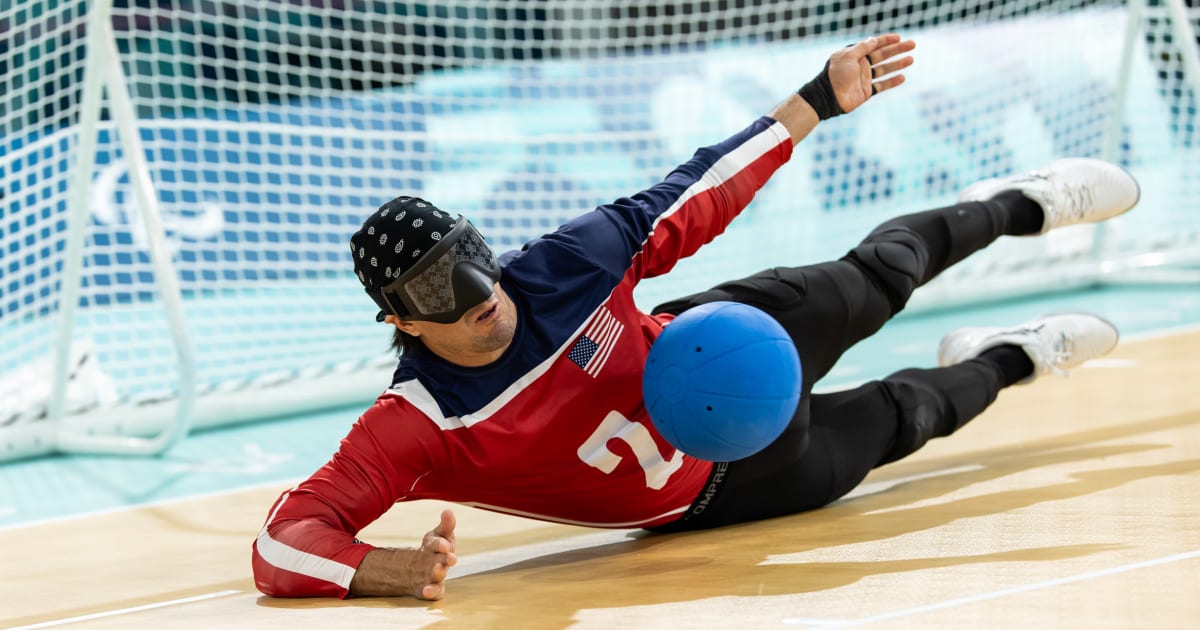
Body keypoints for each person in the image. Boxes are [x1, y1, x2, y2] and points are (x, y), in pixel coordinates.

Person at [251, 33, 1139, 600]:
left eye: (473, 263)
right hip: (725, 493)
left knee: (878, 277)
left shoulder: (563, 265)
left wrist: (816, 102)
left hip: (723, 343)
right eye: (440, 293)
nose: (481, 295)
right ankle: (1017, 354)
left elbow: (698, 187)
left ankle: (1024, 204)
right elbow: (281, 545)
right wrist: (379, 570)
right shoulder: (419, 426)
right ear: (402, 323)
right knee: (920, 414)